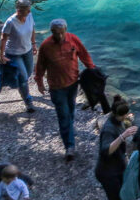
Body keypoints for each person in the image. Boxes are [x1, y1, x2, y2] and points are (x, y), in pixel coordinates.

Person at [33, 18, 96, 160]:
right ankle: (69, 146)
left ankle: (69, 131)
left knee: (71, 111)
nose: (59, 36)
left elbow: (84, 54)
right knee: (64, 116)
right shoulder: (46, 46)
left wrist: (91, 69)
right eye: (56, 33)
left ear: (65, 31)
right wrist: (39, 82)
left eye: (62, 33)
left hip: (73, 84)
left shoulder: (73, 40)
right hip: (56, 88)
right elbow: (40, 66)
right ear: (52, 32)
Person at [95, 97, 137, 200]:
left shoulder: (117, 121)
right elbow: (105, 151)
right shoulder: (108, 129)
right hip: (107, 172)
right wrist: (123, 136)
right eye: (125, 114)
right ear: (120, 114)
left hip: (118, 169)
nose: (127, 116)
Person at [0, 0, 37, 113]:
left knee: (28, 73)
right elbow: (3, 39)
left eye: (29, 10)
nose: (29, 12)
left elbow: (32, 29)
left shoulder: (29, 16)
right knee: (23, 78)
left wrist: (34, 44)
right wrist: (1, 56)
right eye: (26, 10)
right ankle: (28, 101)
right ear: (19, 10)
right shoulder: (10, 22)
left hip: (27, 50)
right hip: (14, 54)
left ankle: (21, 86)